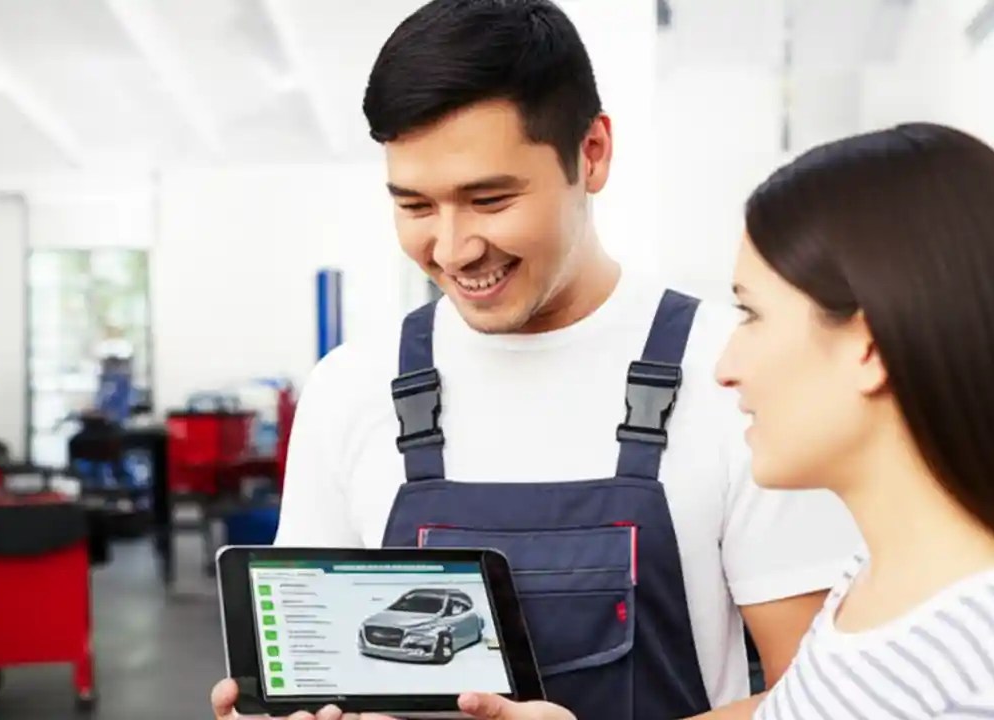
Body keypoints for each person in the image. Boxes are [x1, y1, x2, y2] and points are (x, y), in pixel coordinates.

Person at [330, 123, 994, 719]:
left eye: (751, 316)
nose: (724, 364)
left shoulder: (992, 670)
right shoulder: (879, 592)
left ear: (869, 347)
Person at [211, 0, 860, 718]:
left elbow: (821, 701)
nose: (454, 249)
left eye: (489, 199)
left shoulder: (735, 373)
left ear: (592, 154)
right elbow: (320, 677)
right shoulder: (351, 389)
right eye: (416, 206)